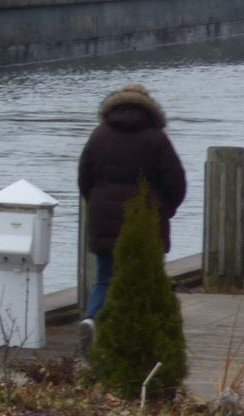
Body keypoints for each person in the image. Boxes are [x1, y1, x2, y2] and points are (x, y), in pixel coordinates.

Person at [77, 83, 187, 332]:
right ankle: (136, 330)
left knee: (105, 277)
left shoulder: (99, 135)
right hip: (145, 220)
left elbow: (84, 178)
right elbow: (176, 182)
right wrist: (165, 210)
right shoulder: (157, 139)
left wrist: (95, 204)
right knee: (145, 277)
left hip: (105, 219)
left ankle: (92, 319)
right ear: (149, 107)